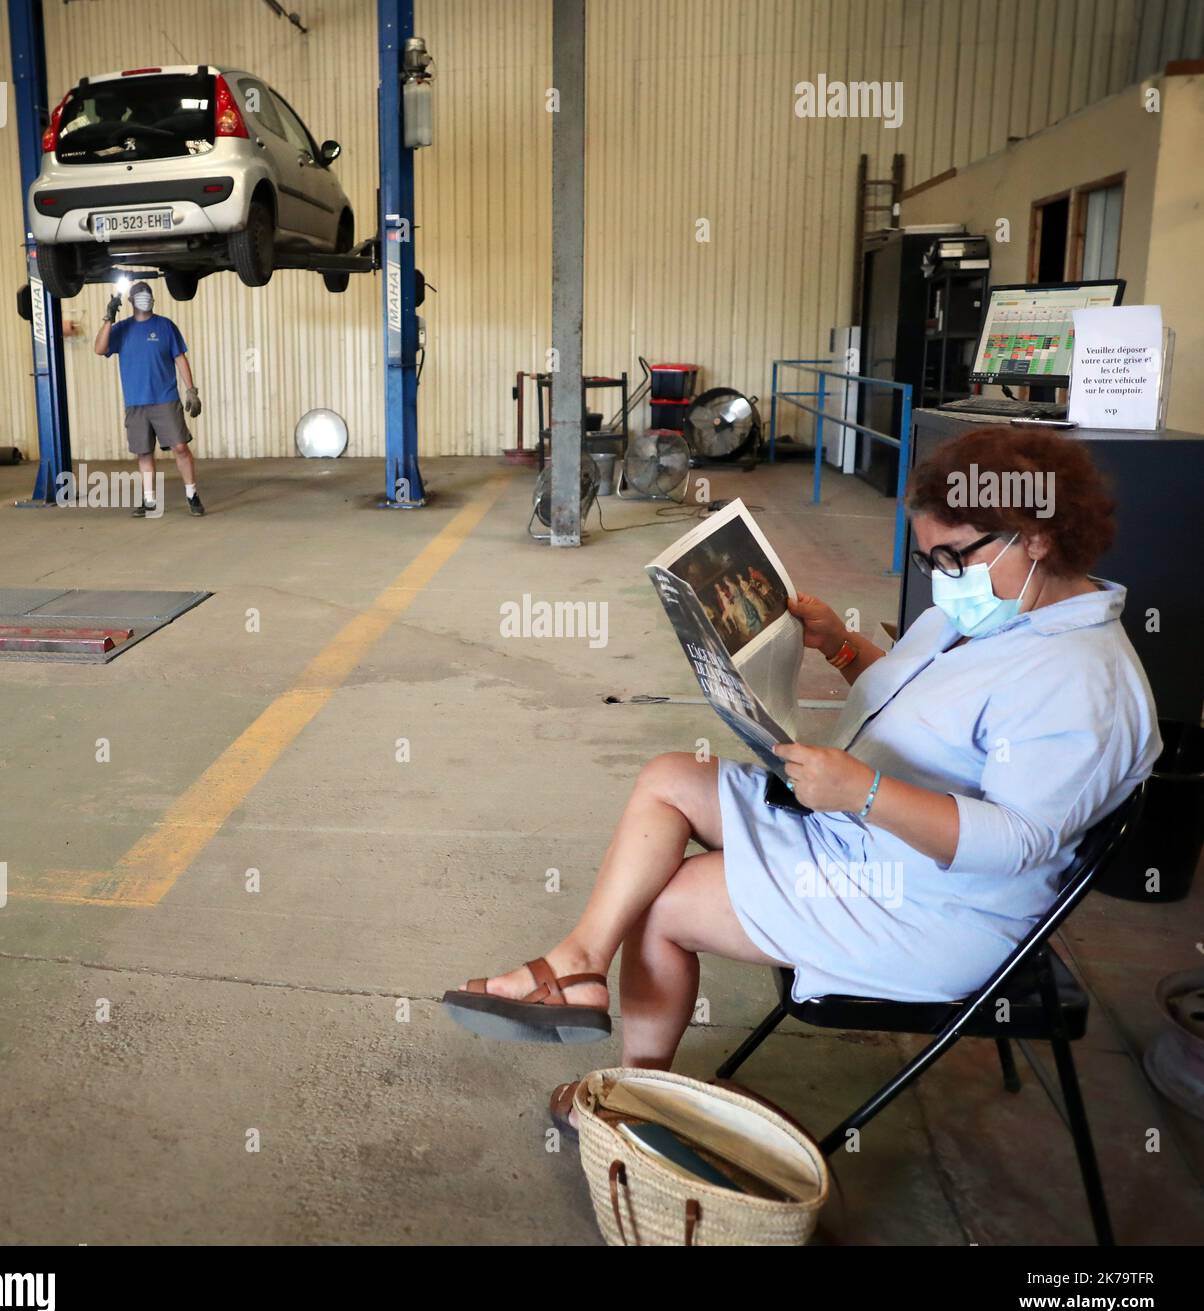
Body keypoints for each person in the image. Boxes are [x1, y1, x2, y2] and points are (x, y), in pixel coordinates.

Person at [442, 427, 1161, 1138]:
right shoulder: (999, 613)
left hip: (934, 905)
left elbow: (1018, 841)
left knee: (663, 904)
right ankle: (578, 966)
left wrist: (863, 794)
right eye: (929, 558)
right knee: (669, 777)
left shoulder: (1083, 682)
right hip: (867, 833)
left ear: (1035, 536)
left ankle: (641, 1101)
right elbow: (932, 709)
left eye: (954, 556)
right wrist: (840, 646)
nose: (944, 577)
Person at [93, 281, 206, 517]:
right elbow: (100, 348)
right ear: (131, 301)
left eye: (147, 294)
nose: (144, 297)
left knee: (180, 447)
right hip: (136, 402)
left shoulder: (165, 326)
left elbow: (180, 358)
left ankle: (192, 494)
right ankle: (149, 500)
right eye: (139, 294)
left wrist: (191, 389)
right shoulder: (122, 329)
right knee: (144, 452)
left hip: (165, 399)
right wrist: (108, 318)